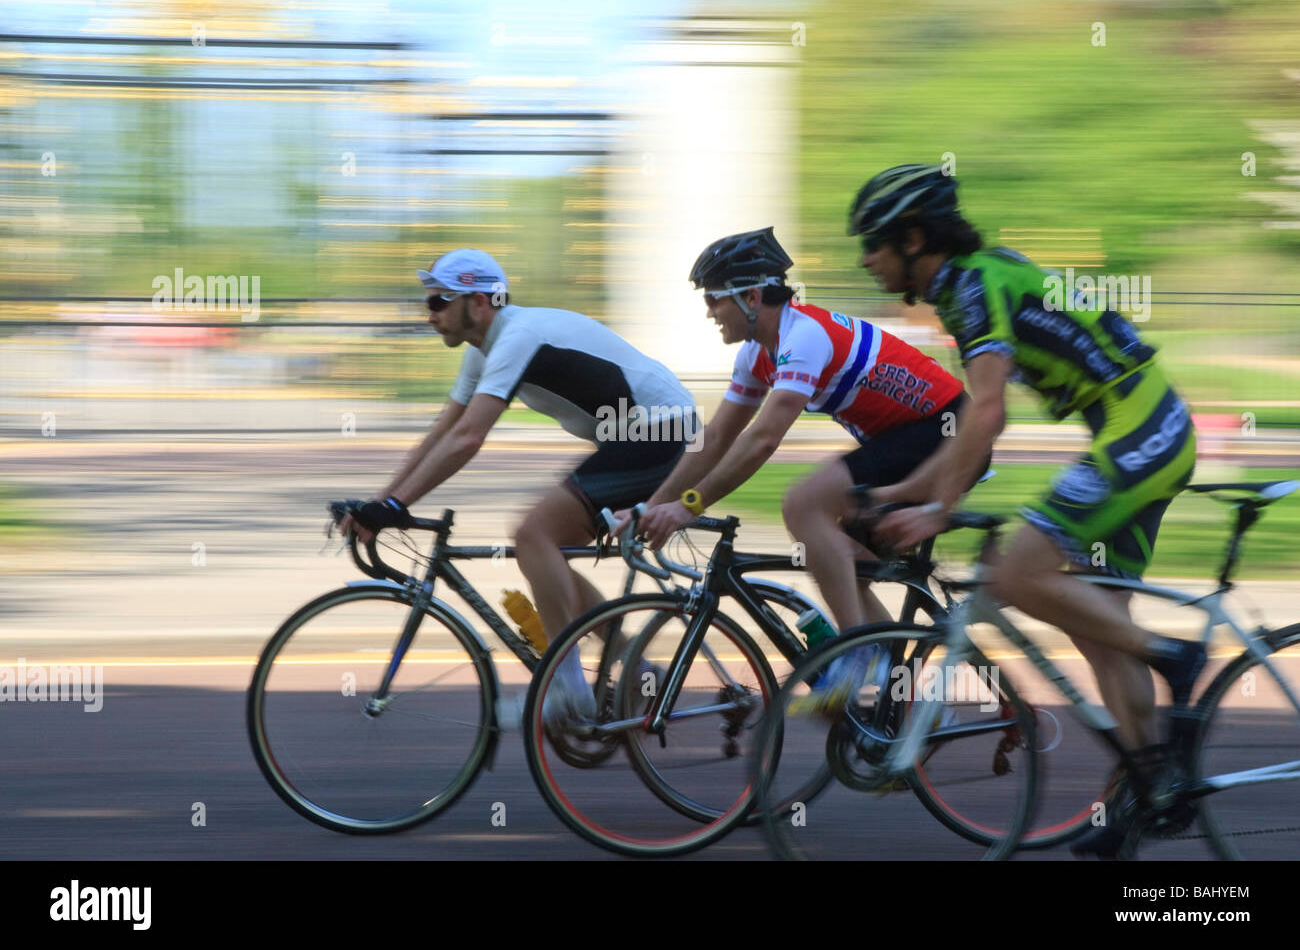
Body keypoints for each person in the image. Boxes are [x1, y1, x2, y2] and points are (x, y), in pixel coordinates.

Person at [853, 164, 1203, 857]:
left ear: (915, 238)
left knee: (1018, 574)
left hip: (1138, 428)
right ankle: (1149, 789)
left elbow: (987, 412)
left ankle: (1179, 658)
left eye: (875, 243)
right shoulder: (973, 278)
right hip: (1137, 425)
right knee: (1099, 626)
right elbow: (970, 426)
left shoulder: (972, 287)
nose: (866, 259)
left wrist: (934, 509)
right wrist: (908, 494)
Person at [624, 227, 983, 698]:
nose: (709, 312)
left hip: (947, 434)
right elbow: (716, 438)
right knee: (840, 561)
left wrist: (689, 505)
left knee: (802, 504)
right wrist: (653, 504)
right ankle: (899, 712)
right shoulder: (757, 353)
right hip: (905, 441)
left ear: (752, 297)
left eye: (714, 299)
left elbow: (763, 440)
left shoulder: (805, 336)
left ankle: (856, 657)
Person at [344, 248, 698, 722]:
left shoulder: (519, 335)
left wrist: (393, 504)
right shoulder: (484, 349)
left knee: (533, 534)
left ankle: (567, 689)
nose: (430, 315)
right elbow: (442, 434)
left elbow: (469, 438)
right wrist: (381, 502)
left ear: (480, 302)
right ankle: (635, 668)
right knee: (543, 553)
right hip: (633, 435)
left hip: (661, 429)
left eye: (438, 302)